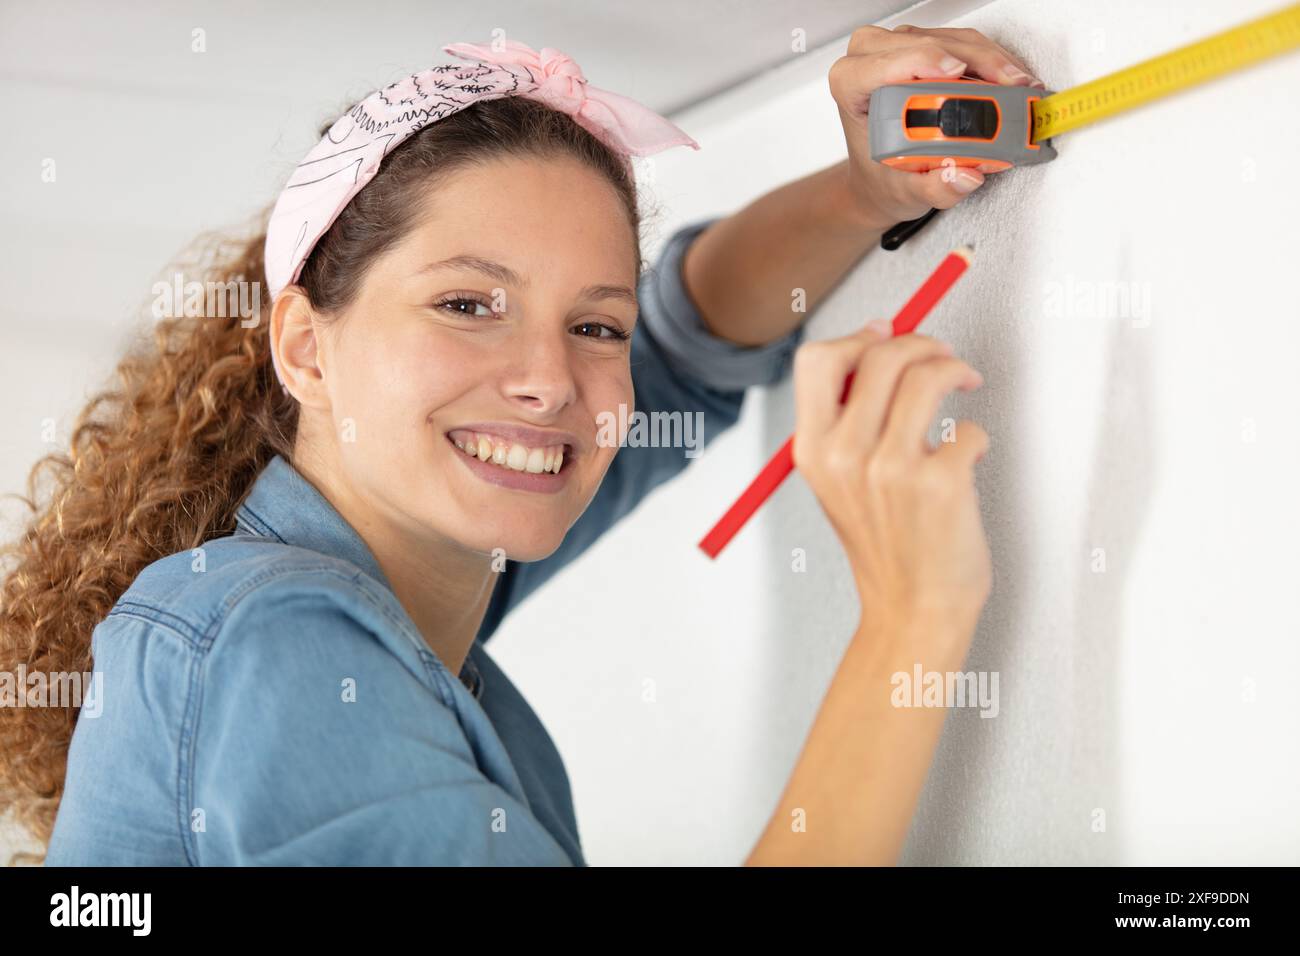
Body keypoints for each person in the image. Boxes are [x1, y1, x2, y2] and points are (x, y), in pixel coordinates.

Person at [2, 25, 1038, 865]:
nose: (550, 380)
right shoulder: (276, 635)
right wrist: (912, 617)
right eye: (467, 303)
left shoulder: (412, 576)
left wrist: (868, 193)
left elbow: (685, 342)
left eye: (595, 324)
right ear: (306, 348)